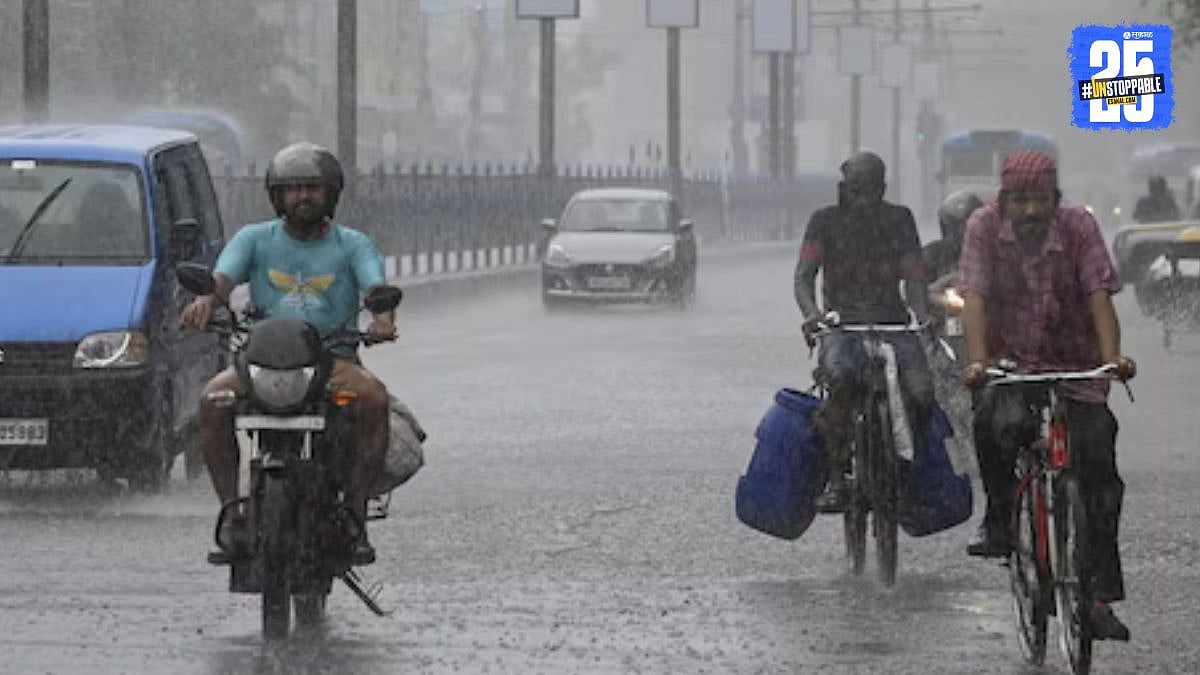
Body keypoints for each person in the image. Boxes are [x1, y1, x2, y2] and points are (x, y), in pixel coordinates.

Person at [181, 142, 396, 564]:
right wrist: (206, 301)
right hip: (260, 362)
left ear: (330, 194)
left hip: (334, 361)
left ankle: (355, 519)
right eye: (292, 188)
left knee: (373, 399)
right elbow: (221, 282)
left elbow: (375, 288)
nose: (302, 197)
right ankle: (231, 513)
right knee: (213, 401)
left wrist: (383, 317)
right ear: (276, 196)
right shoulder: (254, 239)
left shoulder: (353, 244)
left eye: (312, 188)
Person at [958, 149, 1137, 641]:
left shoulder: (1079, 228)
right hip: (1010, 361)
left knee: (1099, 463)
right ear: (1004, 199)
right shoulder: (982, 228)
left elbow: (1099, 298)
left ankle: (1098, 594)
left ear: (1055, 198)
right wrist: (977, 362)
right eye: (1020, 200)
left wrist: (1113, 358)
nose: (1031, 211)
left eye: (1039, 200)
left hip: (1076, 363)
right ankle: (999, 521)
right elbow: (974, 297)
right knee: (995, 424)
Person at [794, 151, 935, 511]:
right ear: (843, 189)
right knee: (840, 383)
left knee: (921, 395)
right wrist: (813, 315)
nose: (863, 199)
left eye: (870, 190)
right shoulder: (823, 222)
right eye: (855, 190)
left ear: (883, 189)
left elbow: (915, 276)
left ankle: (909, 475)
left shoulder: (900, 220)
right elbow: (803, 278)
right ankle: (838, 477)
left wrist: (921, 317)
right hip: (842, 326)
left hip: (894, 323)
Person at [923, 190, 984, 283]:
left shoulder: (989, 252)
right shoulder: (933, 253)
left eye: (967, 224)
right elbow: (916, 282)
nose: (961, 230)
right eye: (954, 225)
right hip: (940, 294)